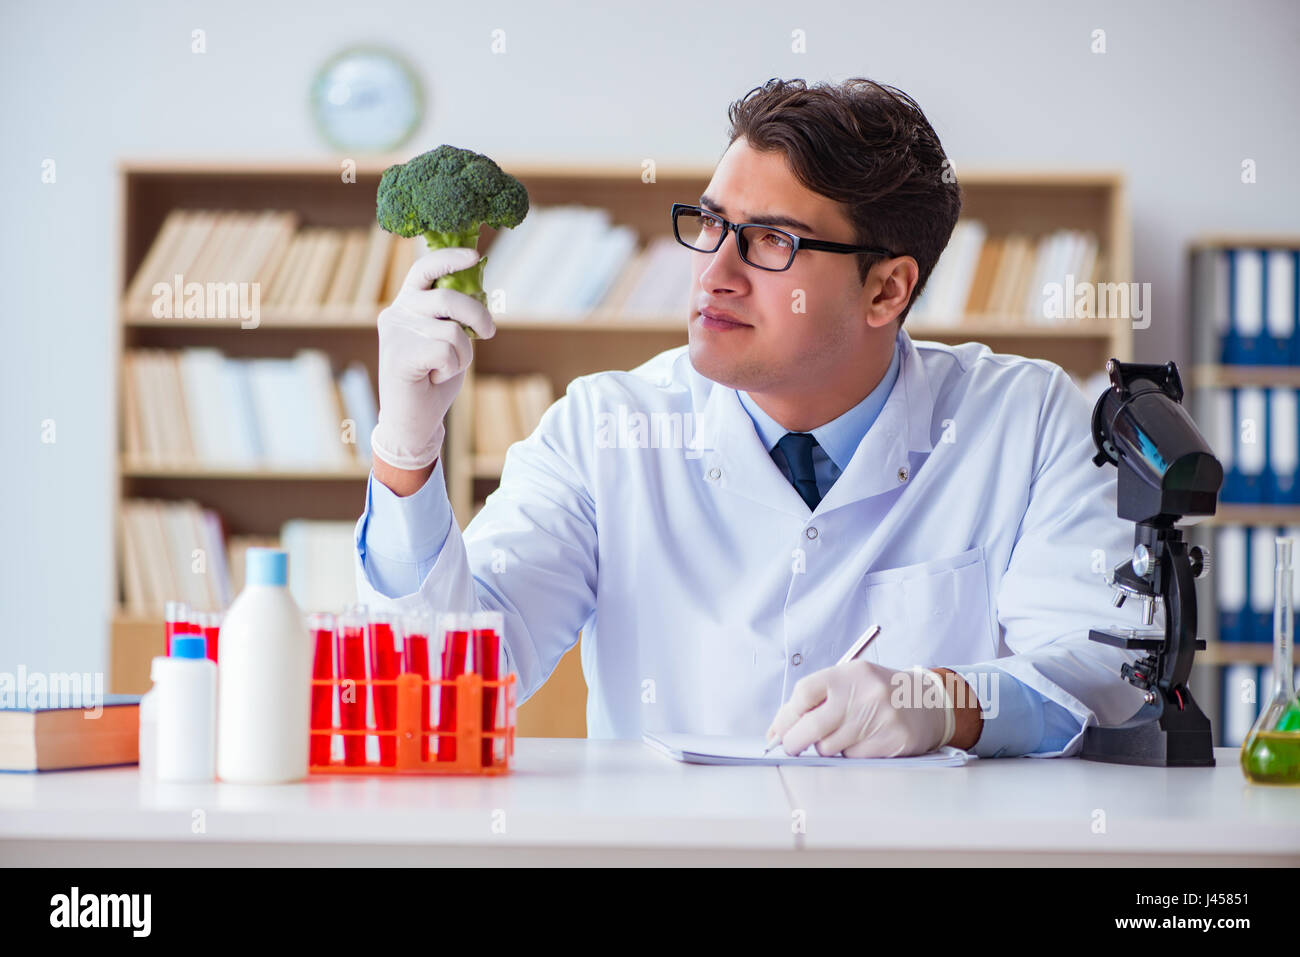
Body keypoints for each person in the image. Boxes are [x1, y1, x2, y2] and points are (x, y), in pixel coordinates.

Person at [353, 77, 1152, 758]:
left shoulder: (1027, 418)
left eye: (771, 240)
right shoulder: (609, 429)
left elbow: (1101, 668)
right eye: (710, 225)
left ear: (887, 290)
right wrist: (406, 449)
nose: (713, 274)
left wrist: (945, 700)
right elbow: (433, 691)